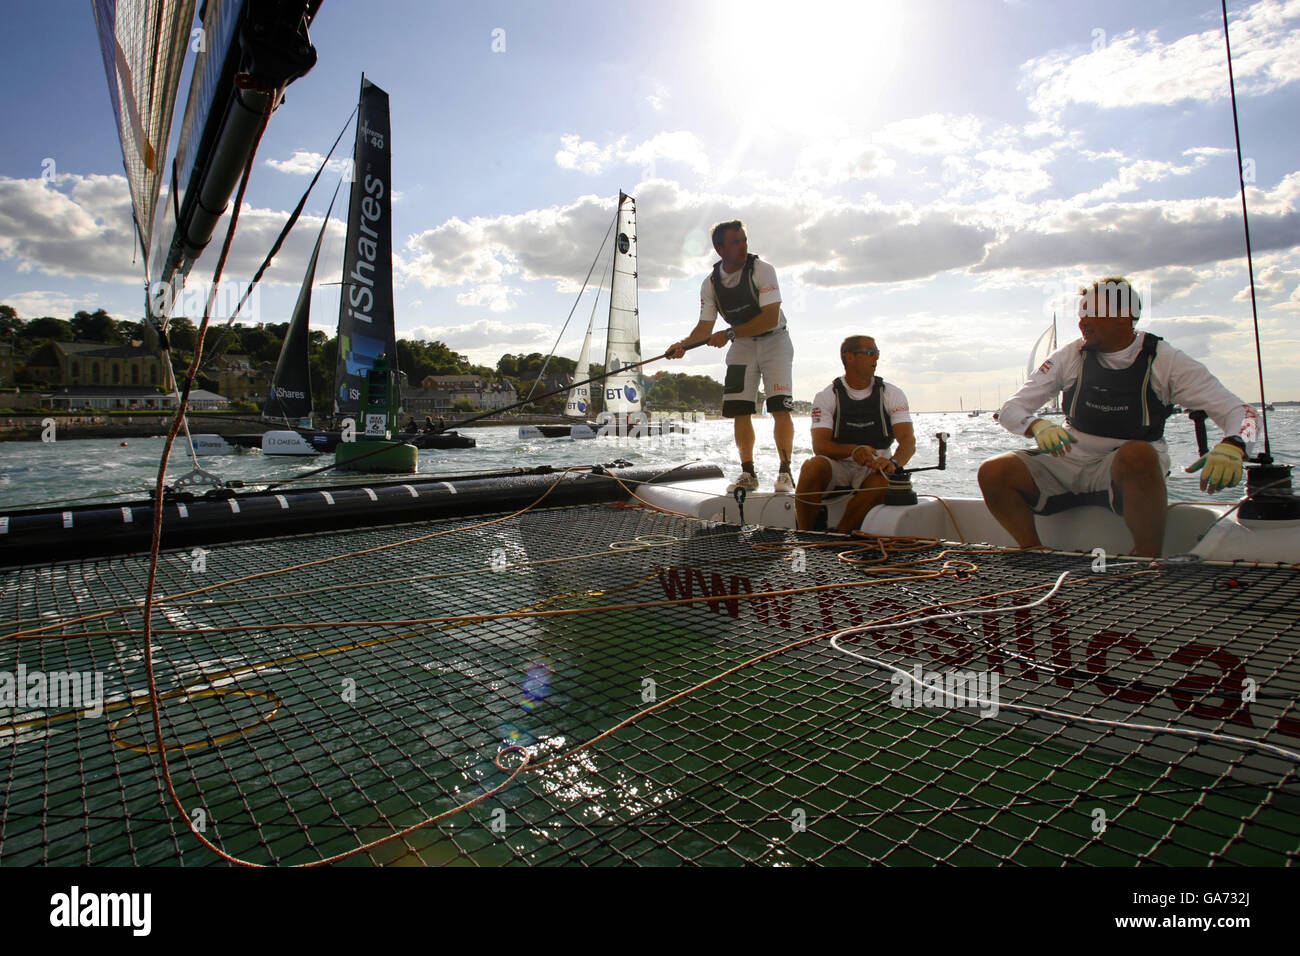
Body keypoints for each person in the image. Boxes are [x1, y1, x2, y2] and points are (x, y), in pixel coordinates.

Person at [979, 276, 1258, 557]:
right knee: (994, 471)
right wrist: (1036, 426)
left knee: (1138, 454)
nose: (1082, 322)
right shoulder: (1069, 355)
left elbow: (1241, 411)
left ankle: (1147, 560)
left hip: (1129, 469)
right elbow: (1010, 410)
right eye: (1080, 314)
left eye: (1092, 313)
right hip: (1069, 459)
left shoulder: (1166, 360)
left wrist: (1233, 445)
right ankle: (1034, 552)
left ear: (1124, 317)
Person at [666, 220, 795, 493]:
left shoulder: (762, 270)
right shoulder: (710, 284)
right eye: (736, 242)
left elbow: (770, 318)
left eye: (744, 240)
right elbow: (704, 328)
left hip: (775, 340)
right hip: (742, 345)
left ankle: (785, 472)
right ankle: (748, 473)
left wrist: (730, 333)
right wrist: (682, 345)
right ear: (719, 248)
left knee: (778, 407)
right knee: (740, 410)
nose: (743, 246)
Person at [795, 335, 916, 532]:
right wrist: (854, 451)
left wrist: (893, 463)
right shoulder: (826, 396)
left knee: (882, 480)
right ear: (849, 357)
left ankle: (840, 536)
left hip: (876, 466)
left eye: (877, 353)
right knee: (811, 466)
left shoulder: (892, 394)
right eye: (870, 353)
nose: (875, 358)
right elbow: (820, 446)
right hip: (840, 464)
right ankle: (805, 535)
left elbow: (908, 442)